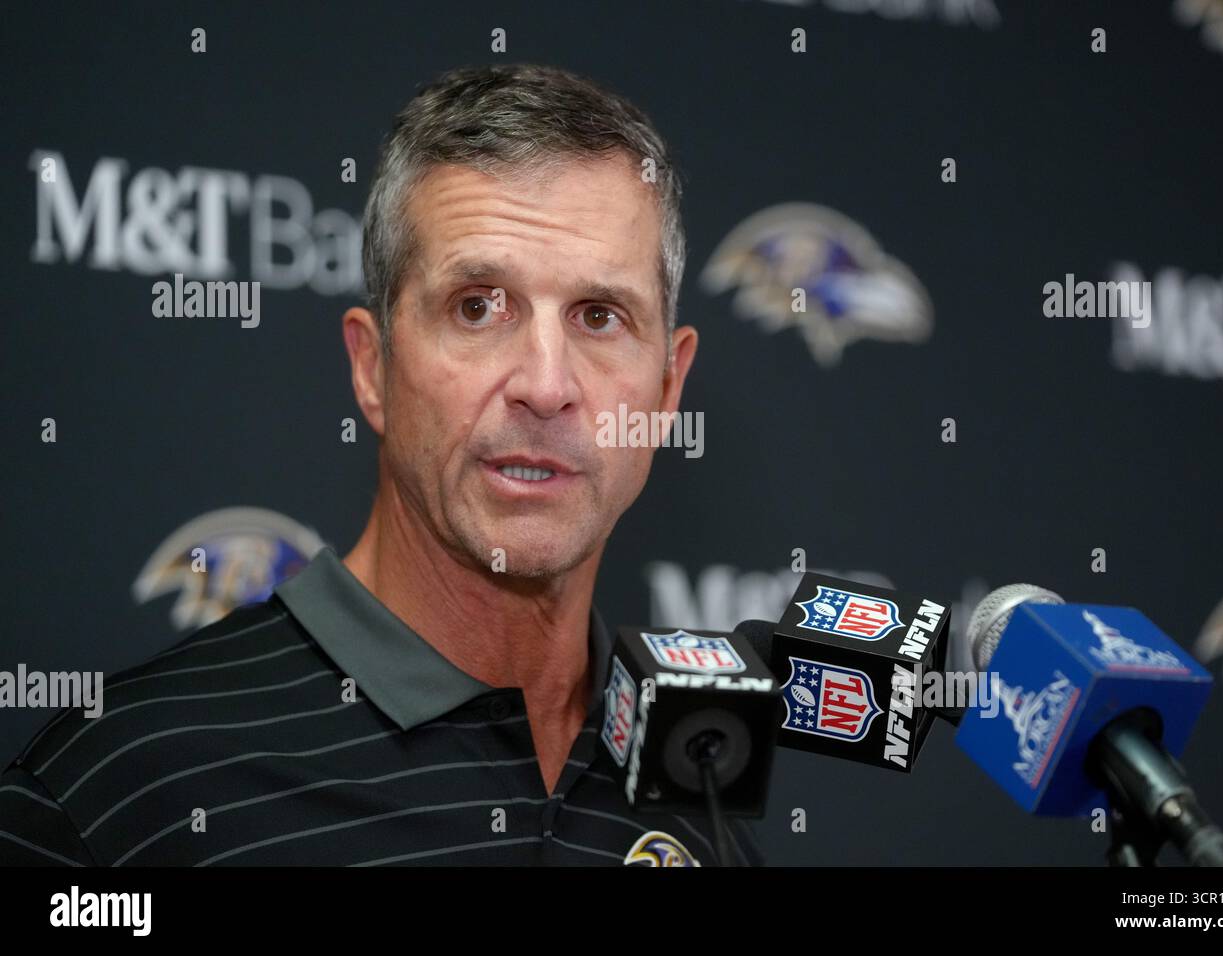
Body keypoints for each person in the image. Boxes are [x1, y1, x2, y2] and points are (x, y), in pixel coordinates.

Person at [0, 63, 762, 866]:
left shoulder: (698, 804)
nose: (546, 386)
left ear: (668, 388)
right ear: (373, 369)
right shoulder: (120, 796)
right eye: (477, 307)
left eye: (600, 316)